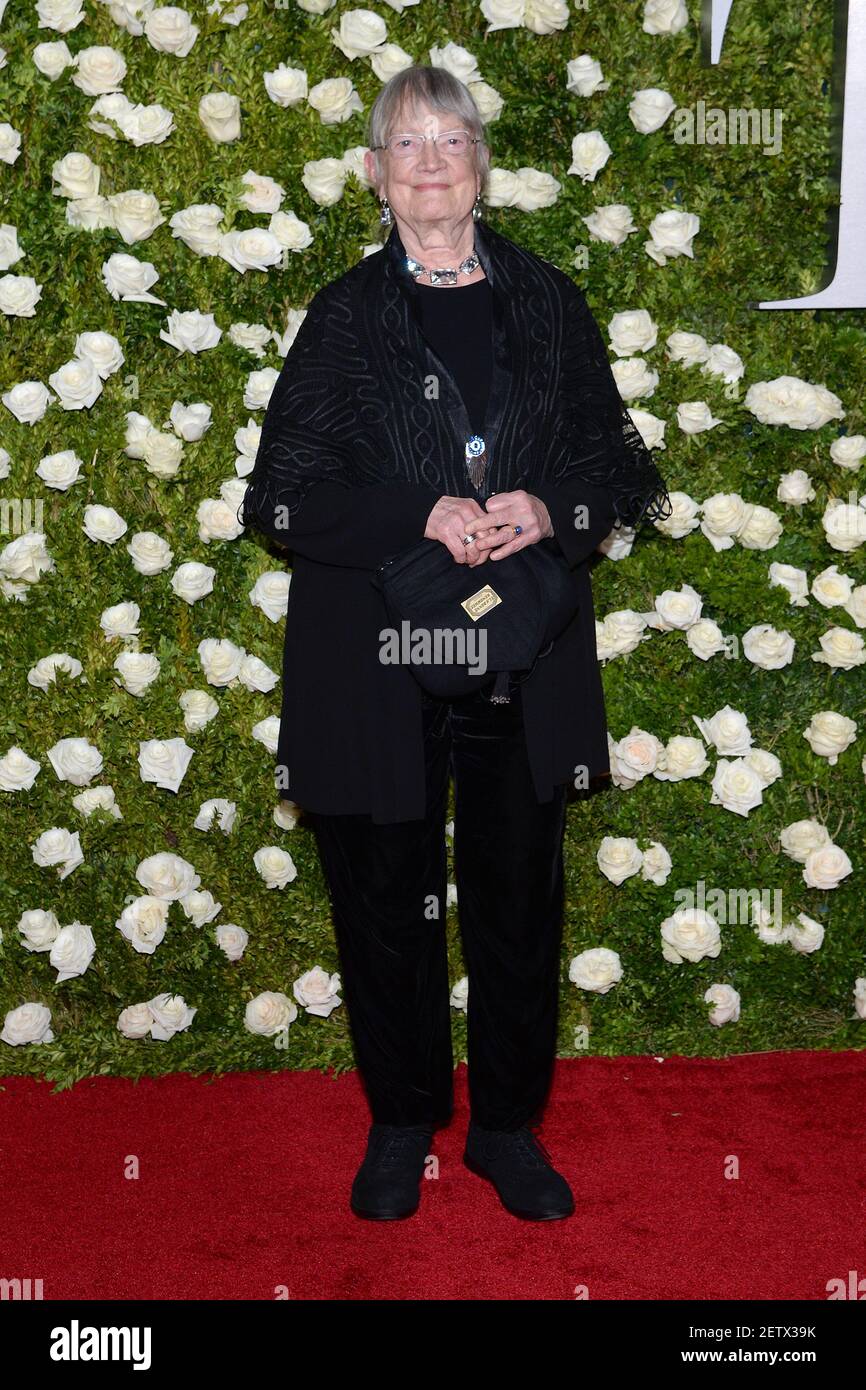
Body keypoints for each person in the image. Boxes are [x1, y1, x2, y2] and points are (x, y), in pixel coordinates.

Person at [238, 64, 671, 1222]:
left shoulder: (548, 301)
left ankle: (508, 1130)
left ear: (481, 163)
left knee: (514, 891)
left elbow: (616, 468)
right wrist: (415, 511)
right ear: (374, 174)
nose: (430, 161)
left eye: (451, 138)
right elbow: (278, 500)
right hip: (373, 654)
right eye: (406, 143)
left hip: (517, 644)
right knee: (383, 893)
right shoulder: (342, 318)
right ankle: (400, 1122)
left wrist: (546, 509)